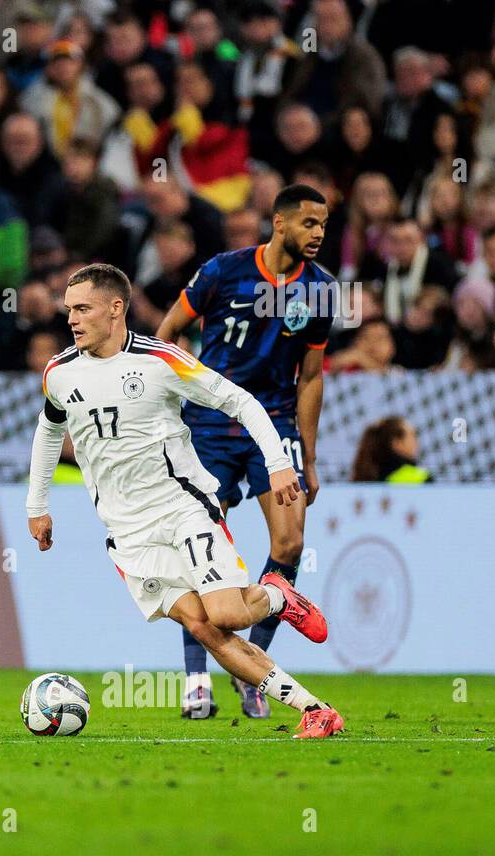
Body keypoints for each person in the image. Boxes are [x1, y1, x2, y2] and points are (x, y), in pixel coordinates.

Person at [27, 264, 343, 739]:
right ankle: (315, 709)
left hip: (183, 510)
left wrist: (278, 463)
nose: (71, 319)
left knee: (228, 615)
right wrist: (37, 505)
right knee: (203, 628)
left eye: (82, 308)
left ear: (116, 309)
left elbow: (242, 402)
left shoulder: (162, 361)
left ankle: (278, 595)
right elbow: (49, 430)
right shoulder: (59, 372)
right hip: (126, 534)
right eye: (69, 309)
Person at [155, 185, 335, 719]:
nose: (318, 233)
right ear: (278, 223)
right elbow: (167, 336)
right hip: (209, 424)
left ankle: (253, 667)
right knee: (198, 543)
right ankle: (196, 680)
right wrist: (183, 401)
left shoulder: (321, 292)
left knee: (291, 540)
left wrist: (310, 456)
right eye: (308, 223)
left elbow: (312, 376)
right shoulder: (222, 271)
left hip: (273, 427)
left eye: (323, 224)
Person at [350, 416, 432, 482]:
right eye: (412, 436)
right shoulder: (422, 478)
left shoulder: (363, 478)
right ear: (397, 444)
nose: (417, 444)